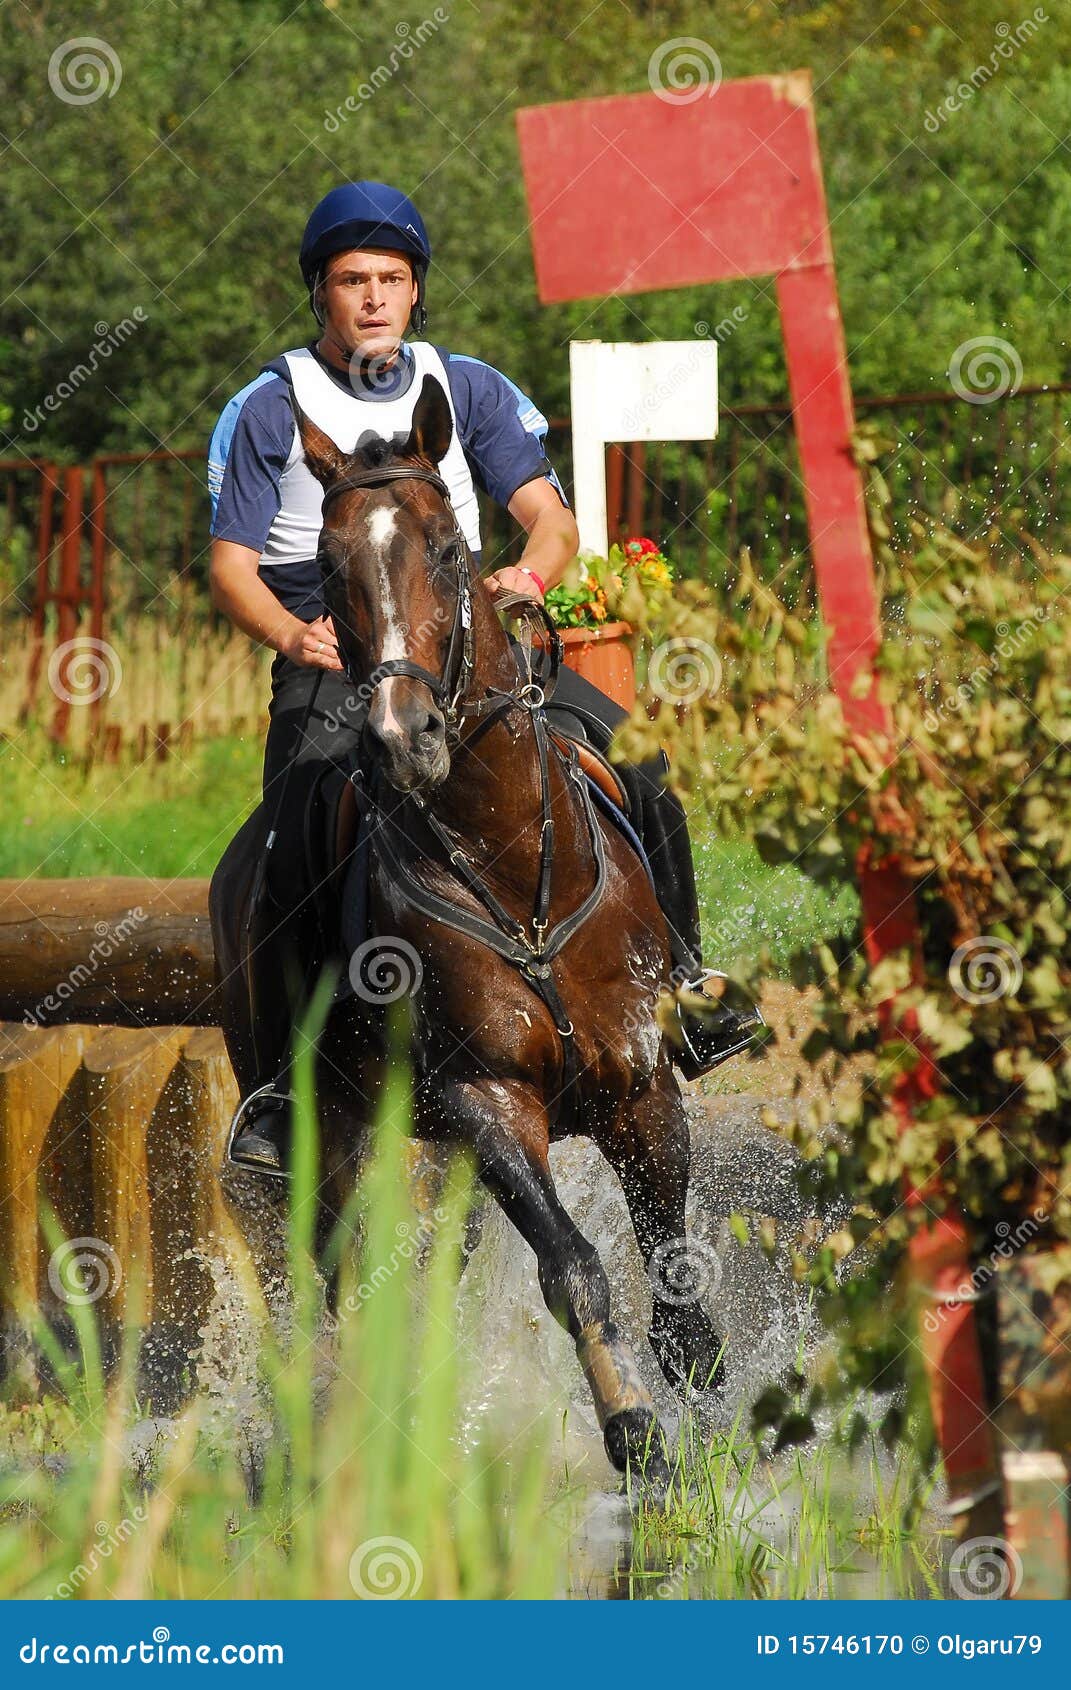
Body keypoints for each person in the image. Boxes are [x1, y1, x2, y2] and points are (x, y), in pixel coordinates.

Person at [207, 180, 757, 1175]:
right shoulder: (266, 406)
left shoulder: (469, 386)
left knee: (643, 772)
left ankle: (684, 988)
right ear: (320, 294)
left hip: (470, 652)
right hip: (334, 656)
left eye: (391, 279)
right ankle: (285, 1087)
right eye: (350, 280)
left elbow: (550, 515)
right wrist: (294, 639)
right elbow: (230, 567)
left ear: (416, 291)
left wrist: (528, 573)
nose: (373, 297)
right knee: (286, 834)